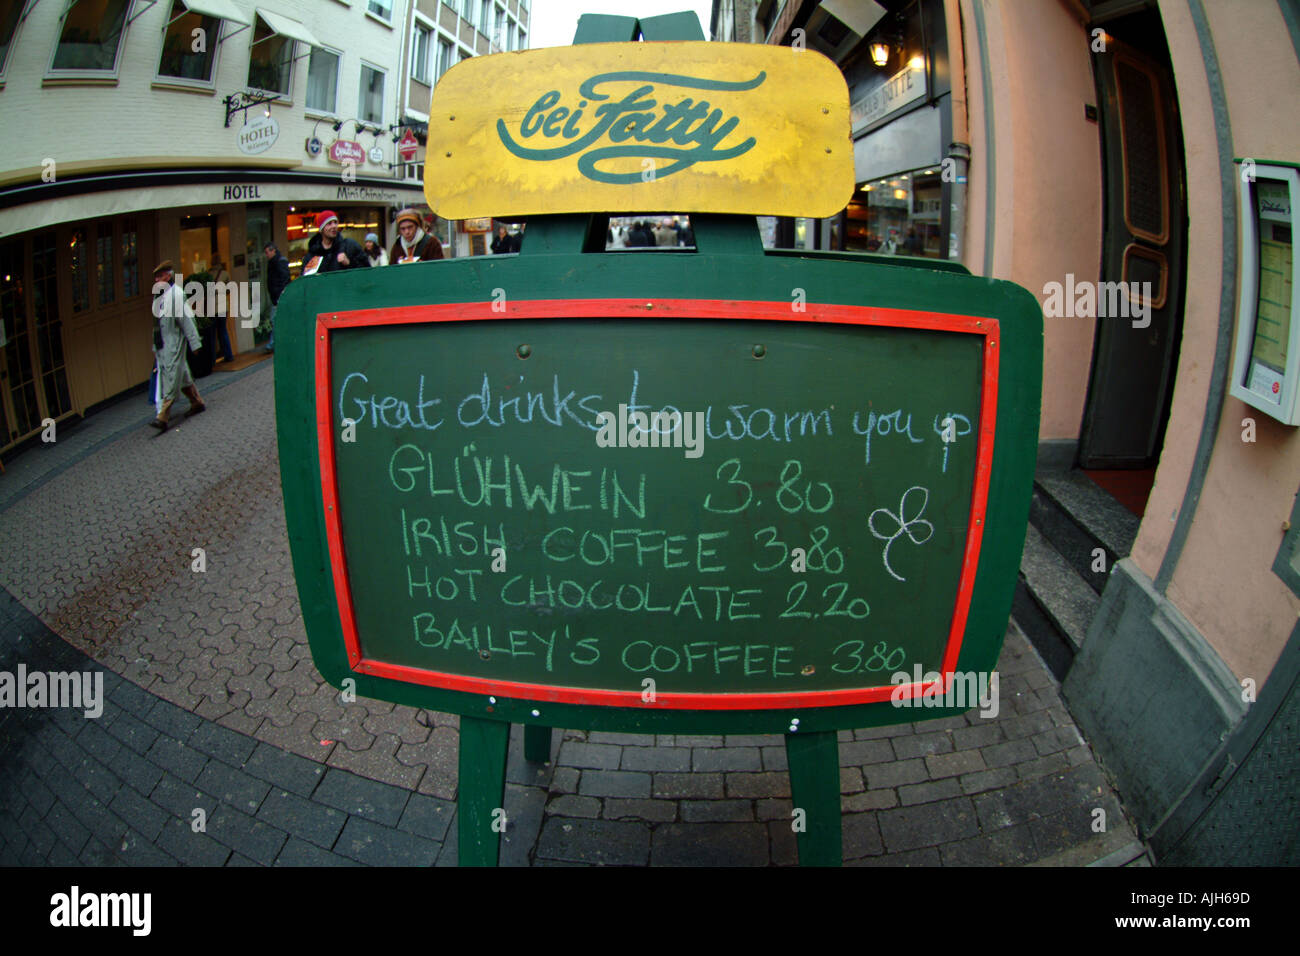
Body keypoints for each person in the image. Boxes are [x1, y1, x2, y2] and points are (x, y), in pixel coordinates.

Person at [149, 260, 205, 432]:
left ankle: (163, 416)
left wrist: (195, 343)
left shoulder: (177, 295)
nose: (156, 280)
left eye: (159, 276)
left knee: (172, 377)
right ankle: (196, 402)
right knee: (182, 375)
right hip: (163, 345)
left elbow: (187, 320)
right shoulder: (159, 296)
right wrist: (155, 347)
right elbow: (157, 325)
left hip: (174, 343)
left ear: (168, 276)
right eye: (156, 277)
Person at [304, 210, 370, 274]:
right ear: (321, 229)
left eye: (335, 222)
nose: (334, 226)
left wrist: (349, 263)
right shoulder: (312, 255)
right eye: (329, 223)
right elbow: (305, 279)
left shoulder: (350, 246)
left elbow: (367, 270)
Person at [263, 243, 289, 353]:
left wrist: (280, 293)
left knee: (275, 319)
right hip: (276, 296)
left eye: (267, 252)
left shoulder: (278, 262)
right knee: (276, 319)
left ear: (273, 250)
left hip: (278, 296)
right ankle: (274, 342)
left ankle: (273, 343)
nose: (266, 255)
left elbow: (284, 278)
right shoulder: (274, 262)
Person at [209, 257, 235, 363]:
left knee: (212, 334)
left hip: (211, 307)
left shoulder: (208, 275)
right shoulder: (225, 274)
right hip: (223, 306)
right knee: (223, 331)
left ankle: (212, 358)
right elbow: (230, 288)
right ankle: (228, 355)